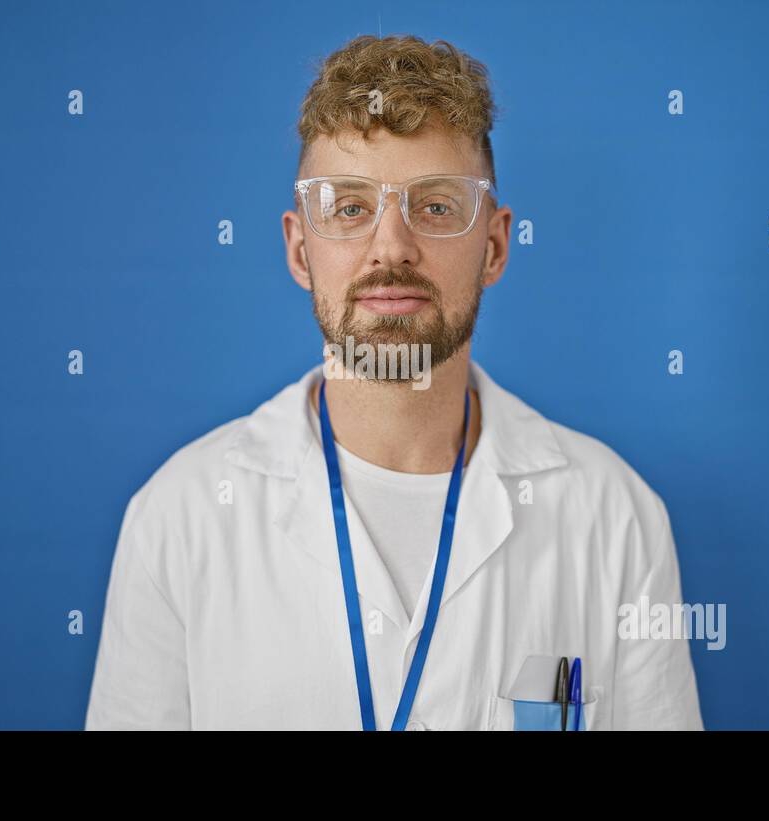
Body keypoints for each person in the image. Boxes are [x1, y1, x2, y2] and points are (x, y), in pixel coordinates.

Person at [85, 33, 703, 730]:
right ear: (298, 247)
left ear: (495, 246)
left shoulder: (614, 518)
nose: (391, 247)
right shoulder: (178, 519)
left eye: (436, 206)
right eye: (349, 207)